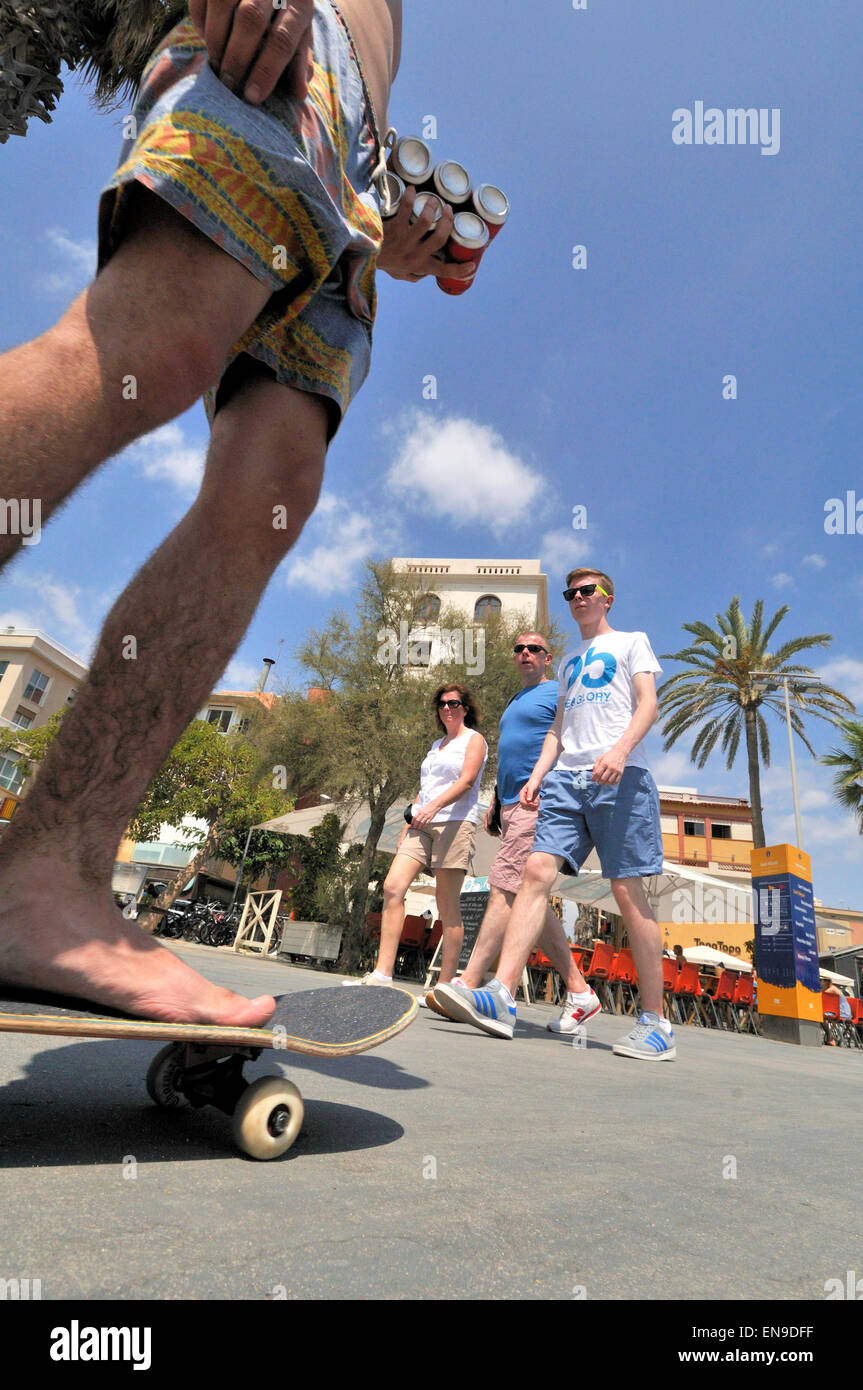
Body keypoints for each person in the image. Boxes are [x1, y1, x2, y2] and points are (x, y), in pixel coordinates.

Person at [0, 0, 476, 1026]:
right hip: (286, 51)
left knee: (271, 482)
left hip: (350, 142)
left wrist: (388, 206)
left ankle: (50, 878)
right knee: (148, 344)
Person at [434, 567, 676, 1060]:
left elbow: (649, 704)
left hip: (620, 777)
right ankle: (501, 995)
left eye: (588, 591)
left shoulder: (632, 642)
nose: (579, 598)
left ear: (607, 598)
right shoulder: (568, 662)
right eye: (572, 593)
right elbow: (558, 731)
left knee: (628, 892)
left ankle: (656, 1023)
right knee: (535, 872)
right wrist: (537, 777)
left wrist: (622, 750)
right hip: (566, 780)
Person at [433, 632, 601, 1033]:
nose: (525, 653)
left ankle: (469, 980)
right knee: (530, 895)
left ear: (547, 658)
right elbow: (511, 749)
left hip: (535, 799)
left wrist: (544, 784)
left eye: (534, 649)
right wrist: (495, 797)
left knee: (504, 887)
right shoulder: (515, 700)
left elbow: (563, 738)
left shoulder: (555, 692)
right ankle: (580, 992)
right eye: (519, 649)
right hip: (510, 802)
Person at [350, 685, 487, 988]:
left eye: (453, 703)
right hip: (421, 825)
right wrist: (408, 825)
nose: (447, 708)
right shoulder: (436, 745)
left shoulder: (475, 740)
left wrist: (434, 807)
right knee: (392, 887)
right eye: (441, 704)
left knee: (447, 904)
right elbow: (425, 789)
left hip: (455, 823)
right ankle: (383, 973)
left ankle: (445, 985)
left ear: (465, 708)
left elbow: (466, 782)